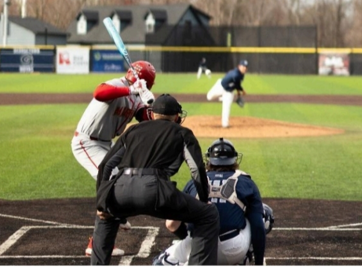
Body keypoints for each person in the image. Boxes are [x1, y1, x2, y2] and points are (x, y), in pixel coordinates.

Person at [91, 94, 219, 265]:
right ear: (176, 116)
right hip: (155, 189)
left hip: (121, 187)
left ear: (151, 114)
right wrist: (204, 201)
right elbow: (196, 169)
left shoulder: (133, 130)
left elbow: (106, 165)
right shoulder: (183, 133)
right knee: (208, 215)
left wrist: (102, 201)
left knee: (105, 216)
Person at [72, 61, 157, 257]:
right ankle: (96, 244)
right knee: (112, 183)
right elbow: (99, 93)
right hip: (87, 142)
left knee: (128, 174)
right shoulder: (117, 85)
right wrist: (131, 90)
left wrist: (150, 103)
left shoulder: (137, 96)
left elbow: (146, 118)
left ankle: (118, 214)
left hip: (107, 145)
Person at [153, 138, 271, 266]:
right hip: (233, 250)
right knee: (263, 213)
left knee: (159, 262)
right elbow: (258, 227)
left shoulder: (194, 183)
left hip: (199, 247)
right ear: (234, 159)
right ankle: (246, 257)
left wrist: (187, 238)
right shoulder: (246, 182)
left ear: (209, 159)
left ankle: (186, 263)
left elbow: (171, 224)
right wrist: (259, 263)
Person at [207, 61, 248, 128]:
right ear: (239, 66)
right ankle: (222, 97)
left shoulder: (241, 74)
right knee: (209, 97)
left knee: (226, 107)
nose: (245, 68)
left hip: (229, 91)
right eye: (243, 66)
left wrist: (238, 92)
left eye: (246, 67)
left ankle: (225, 124)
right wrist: (242, 90)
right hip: (220, 86)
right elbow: (237, 84)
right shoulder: (236, 74)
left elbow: (237, 84)